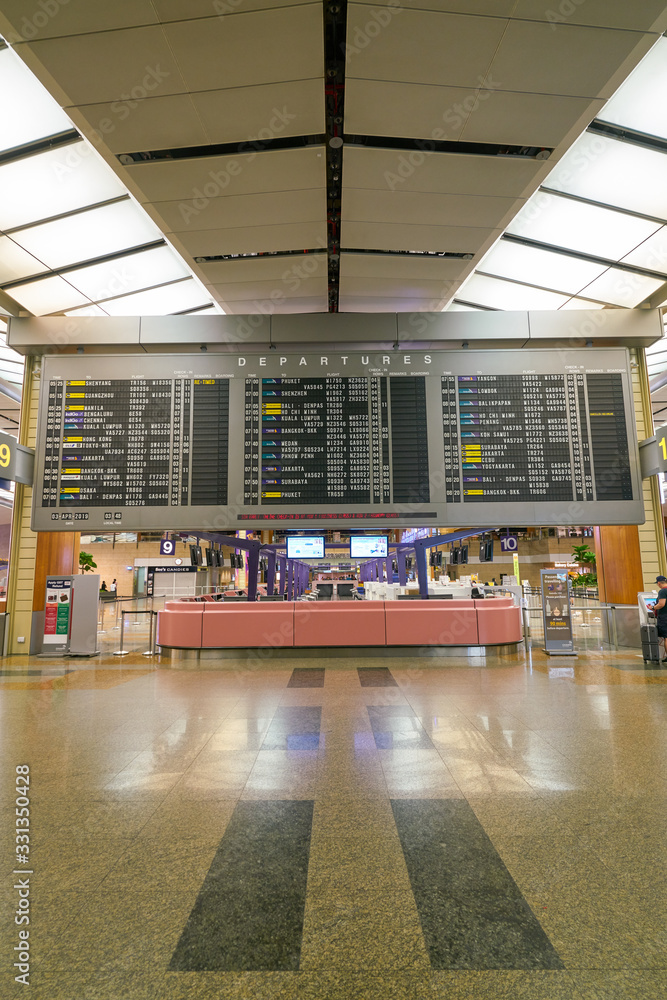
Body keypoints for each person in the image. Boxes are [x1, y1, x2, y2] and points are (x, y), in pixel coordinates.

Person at [652, 575, 667, 661]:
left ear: (659, 583)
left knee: (666, 637)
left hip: (664, 617)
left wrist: (653, 607)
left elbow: (661, 604)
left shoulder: (662, 591)